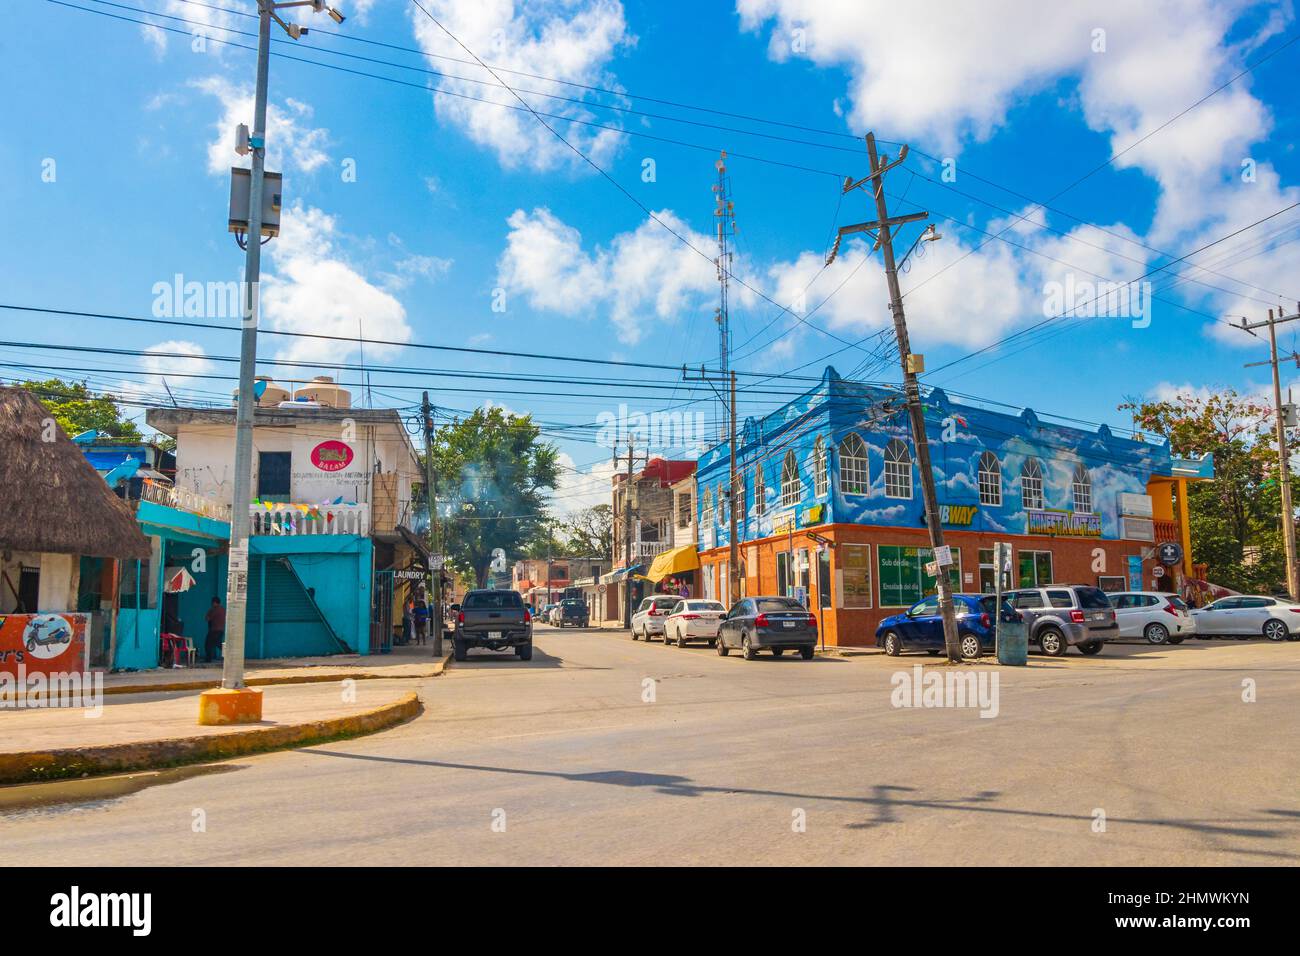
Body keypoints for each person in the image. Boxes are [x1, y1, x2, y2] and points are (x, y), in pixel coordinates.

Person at [204, 597, 226, 664]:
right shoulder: (223, 609)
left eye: (212, 602)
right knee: (218, 644)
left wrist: (208, 615)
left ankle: (208, 659)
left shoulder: (214, 609)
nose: (212, 604)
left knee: (208, 644)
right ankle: (227, 655)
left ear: (214, 602)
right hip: (221, 630)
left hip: (214, 630)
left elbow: (207, 618)